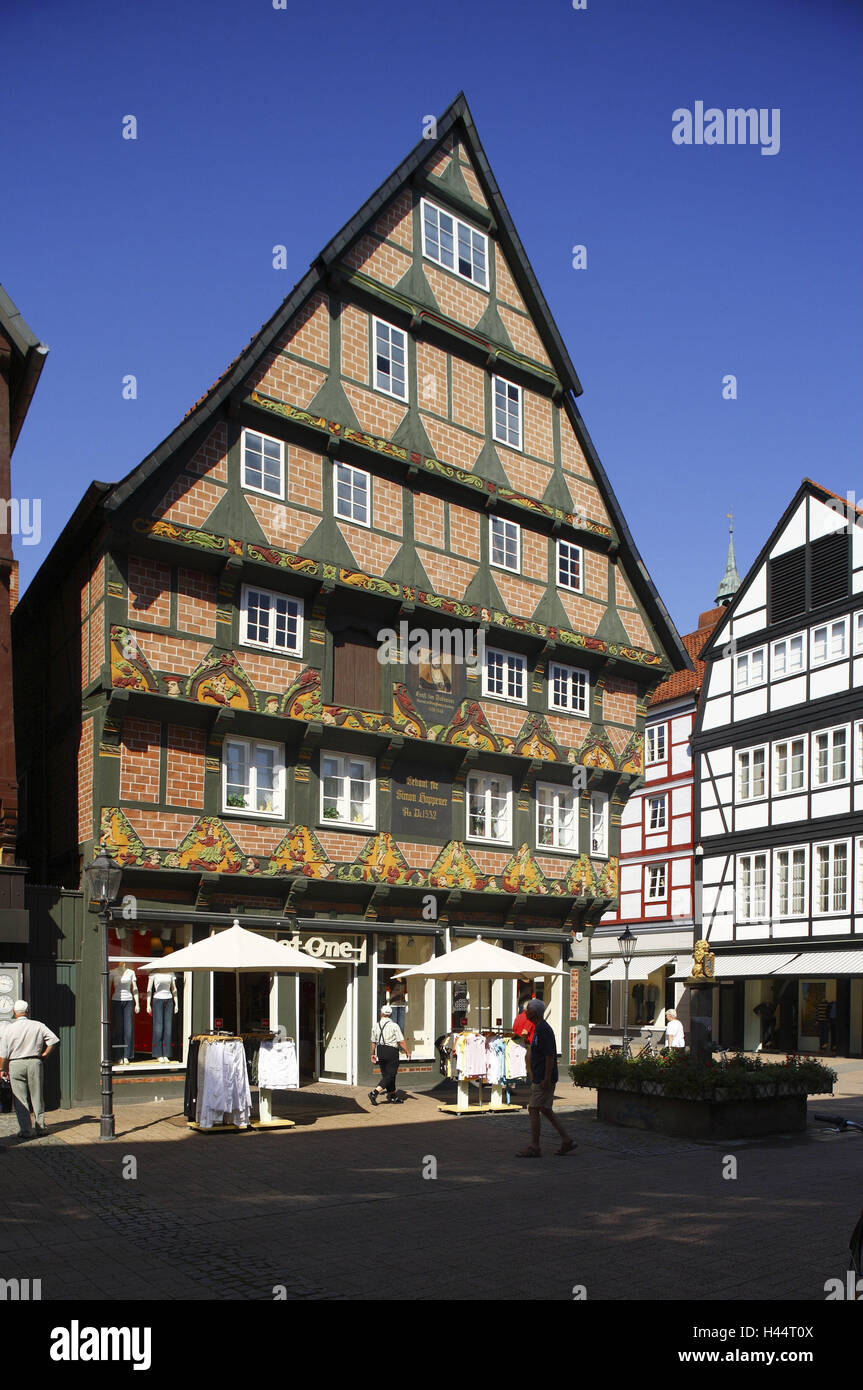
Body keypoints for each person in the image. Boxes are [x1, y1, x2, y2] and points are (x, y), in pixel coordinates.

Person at [516, 999, 576, 1157]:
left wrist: (546, 1078)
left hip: (543, 1078)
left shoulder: (543, 1029)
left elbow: (550, 1055)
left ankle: (535, 1147)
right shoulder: (539, 1028)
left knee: (533, 1108)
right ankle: (566, 1140)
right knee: (545, 1109)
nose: (525, 1012)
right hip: (541, 1076)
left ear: (534, 1012)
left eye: (528, 1010)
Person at [0, 1001, 59, 1138]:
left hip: (15, 1064)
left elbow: (3, 1054)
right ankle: (41, 1127)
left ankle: (26, 1130)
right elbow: (53, 1040)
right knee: (37, 1095)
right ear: (28, 1011)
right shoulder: (38, 1025)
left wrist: (2, 1069)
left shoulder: (9, 1029)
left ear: (14, 1013)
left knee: (20, 1098)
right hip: (34, 1062)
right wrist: (44, 1054)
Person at [369, 1004, 410, 1105]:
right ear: (391, 1014)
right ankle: (374, 1092)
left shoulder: (376, 1025)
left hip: (380, 1050)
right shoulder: (394, 1025)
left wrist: (372, 1054)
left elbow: (373, 1042)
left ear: (381, 1013)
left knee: (387, 1075)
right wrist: (407, 1051)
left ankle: (392, 1096)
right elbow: (401, 1041)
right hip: (391, 1051)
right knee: (390, 1075)